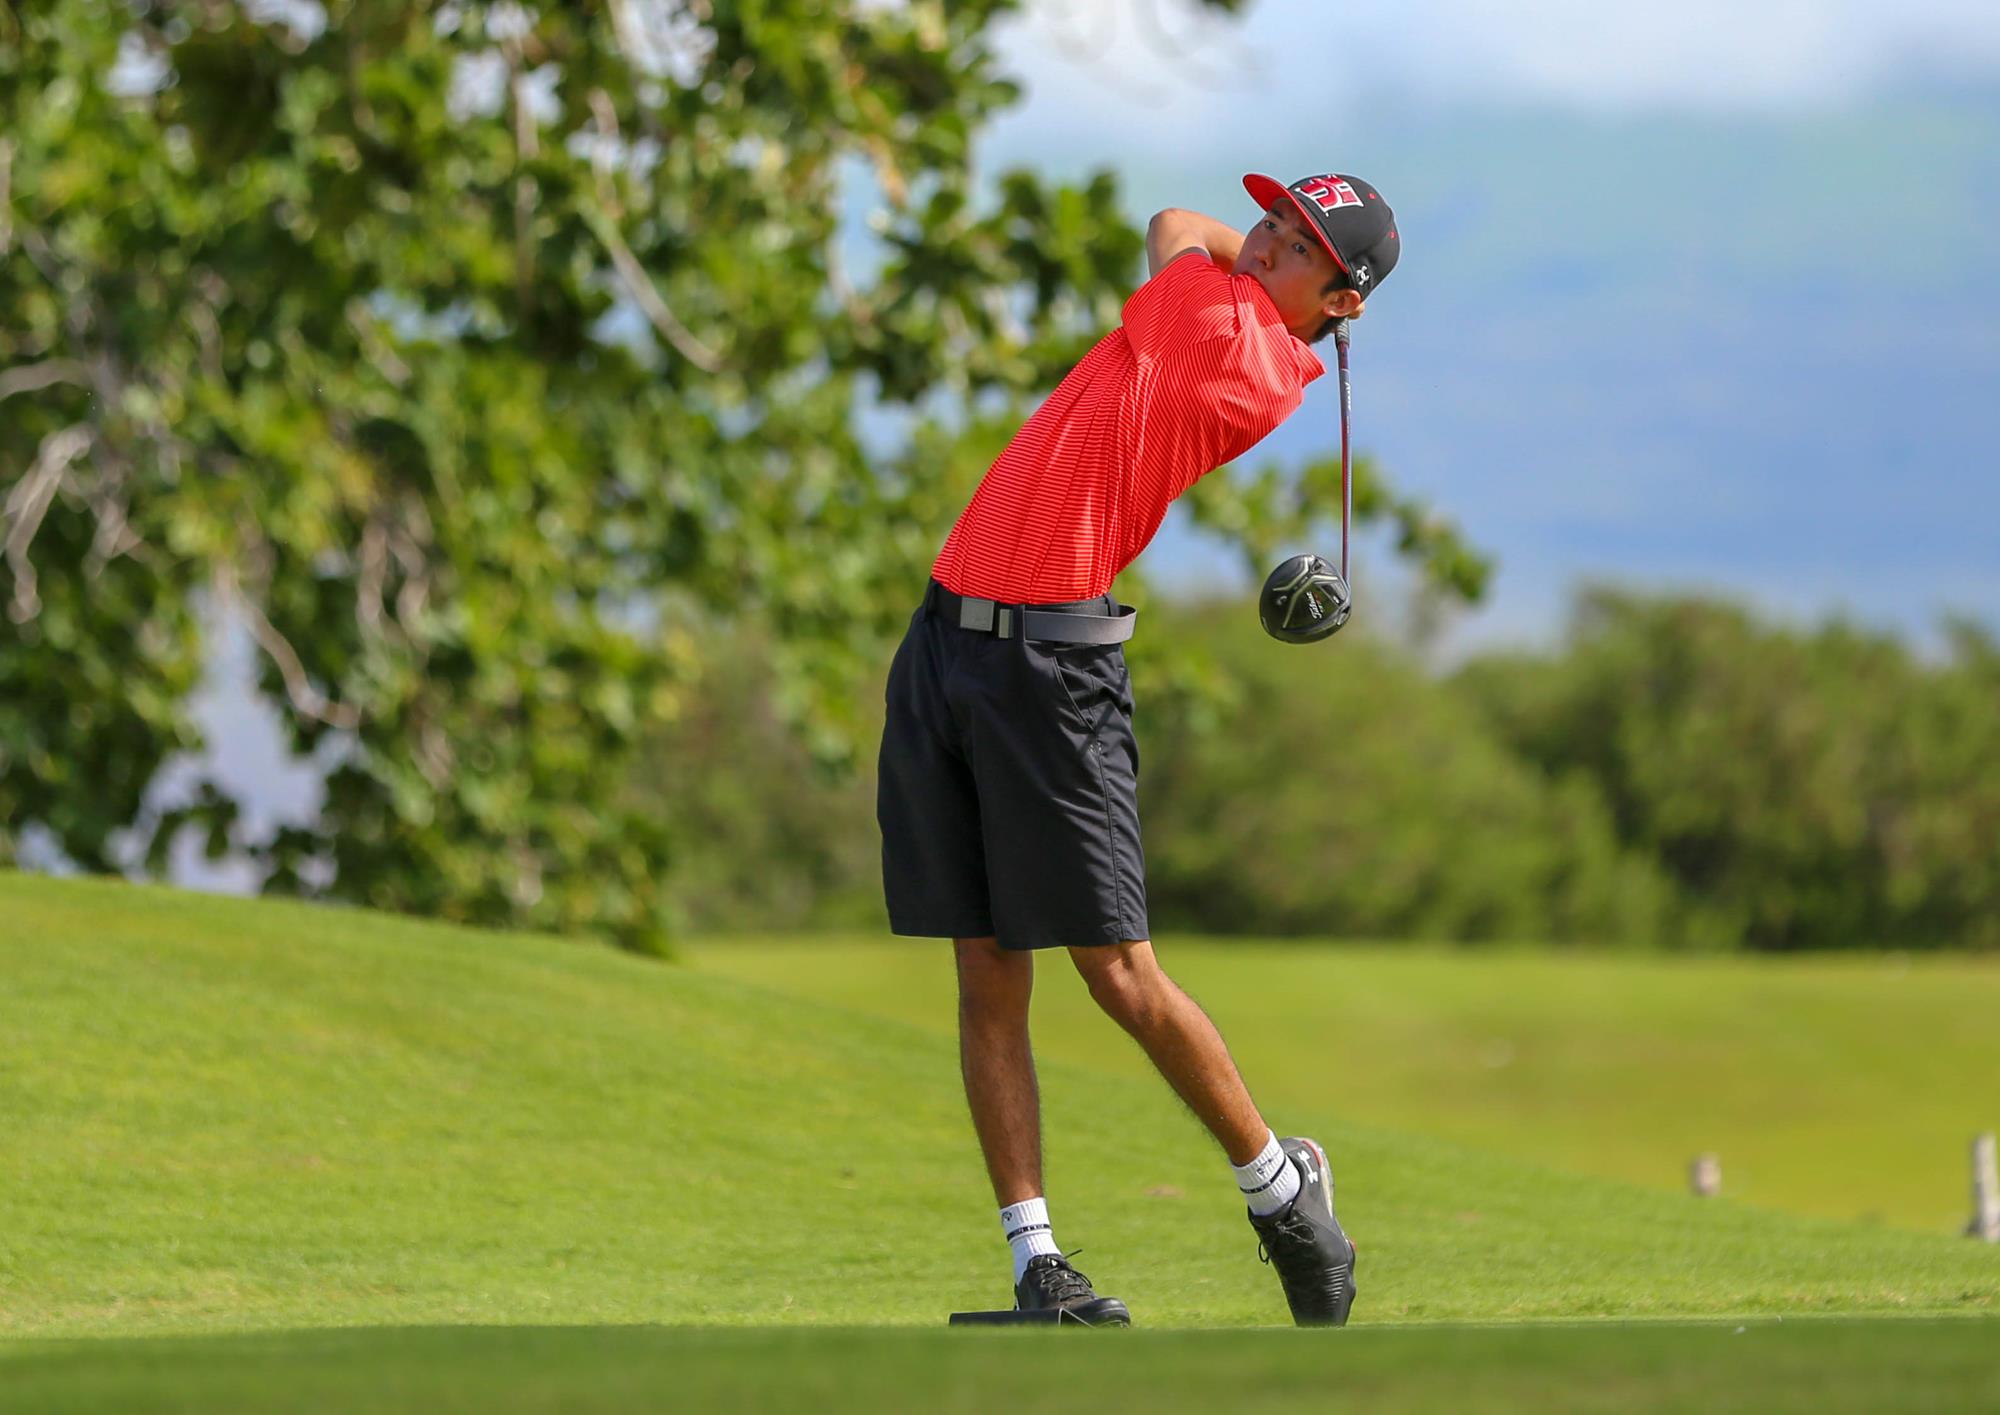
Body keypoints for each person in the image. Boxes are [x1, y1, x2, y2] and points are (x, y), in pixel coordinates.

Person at [875, 172, 1400, 1327]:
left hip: (1054, 672)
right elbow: (1187, 233)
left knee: (1115, 969)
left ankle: (1278, 1184)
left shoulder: (1236, 349)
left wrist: (1226, 253)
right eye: (1270, 219)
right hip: (947, 640)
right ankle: (1037, 1266)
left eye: (1301, 243)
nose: (1266, 240)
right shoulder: (1228, 302)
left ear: (1341, 300)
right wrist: (1250, 253)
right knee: (982, 966)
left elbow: (1171, 222)